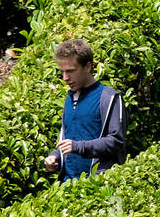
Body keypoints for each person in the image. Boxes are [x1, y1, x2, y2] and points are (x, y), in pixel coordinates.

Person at [43, 38, 126, 180]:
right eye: (62, 71)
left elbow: (116, 141)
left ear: (88, 67)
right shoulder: (68, 100)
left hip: (97, 184)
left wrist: (78, 147)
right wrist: (55, 156)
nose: (65, 77)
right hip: (66, 185)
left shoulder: (109, 98)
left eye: (70, 71)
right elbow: (70, 142)